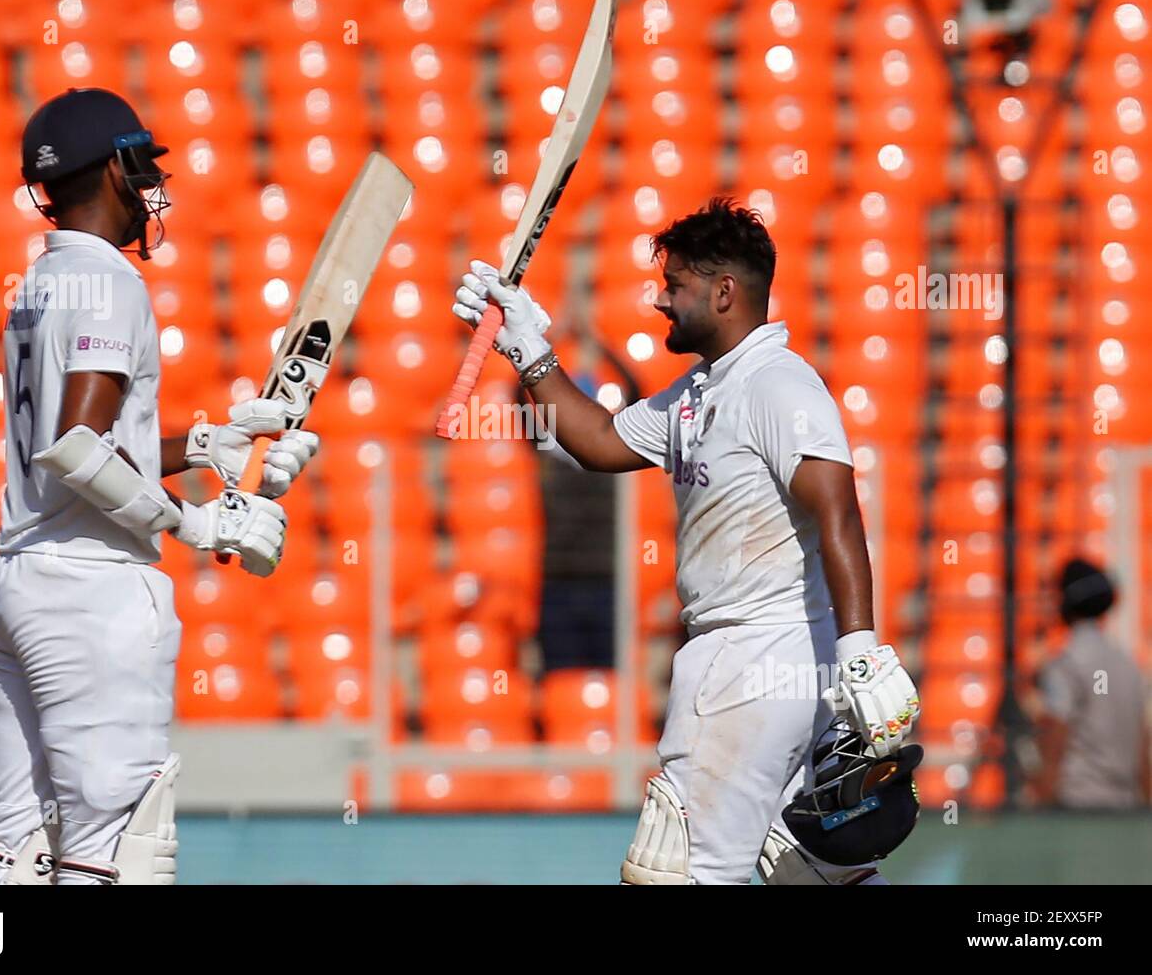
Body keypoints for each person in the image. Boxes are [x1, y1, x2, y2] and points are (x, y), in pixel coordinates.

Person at [452, 198, 921, 884]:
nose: (661, 301)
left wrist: (861, 650)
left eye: (675, 285)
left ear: (724, 292)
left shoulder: (777, 384)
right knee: (813, 874)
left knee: (677, 872)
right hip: (784, 664)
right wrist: (530, 350)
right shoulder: (703, 390)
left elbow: (838, 510)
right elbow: (603, 443)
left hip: (749, 659)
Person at [0, 88, 319, 885]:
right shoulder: (109, 280)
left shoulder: (40, 283)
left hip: (20, 576)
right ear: (116, 169)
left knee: (12, 846)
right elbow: (79, 448)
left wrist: (204, 443)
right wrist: (203, 524)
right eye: (144, 165)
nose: (153, 184)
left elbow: (80, 441)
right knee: (115, 850)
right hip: (90, 595)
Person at [1032, 558, 1150, 808]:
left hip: (1078, 807)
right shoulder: (1128, 666)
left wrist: (1040, 802)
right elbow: (1142, 752)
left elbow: (1055, 741)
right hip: (1124, 810)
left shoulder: (1066, 664)